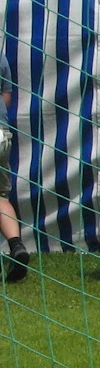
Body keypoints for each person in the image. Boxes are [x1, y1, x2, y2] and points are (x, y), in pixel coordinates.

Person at [0, 45, 30, 281]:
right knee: (0, 197)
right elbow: (6, 98)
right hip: (2, 133)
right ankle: (16, 245)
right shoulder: (0, 55)